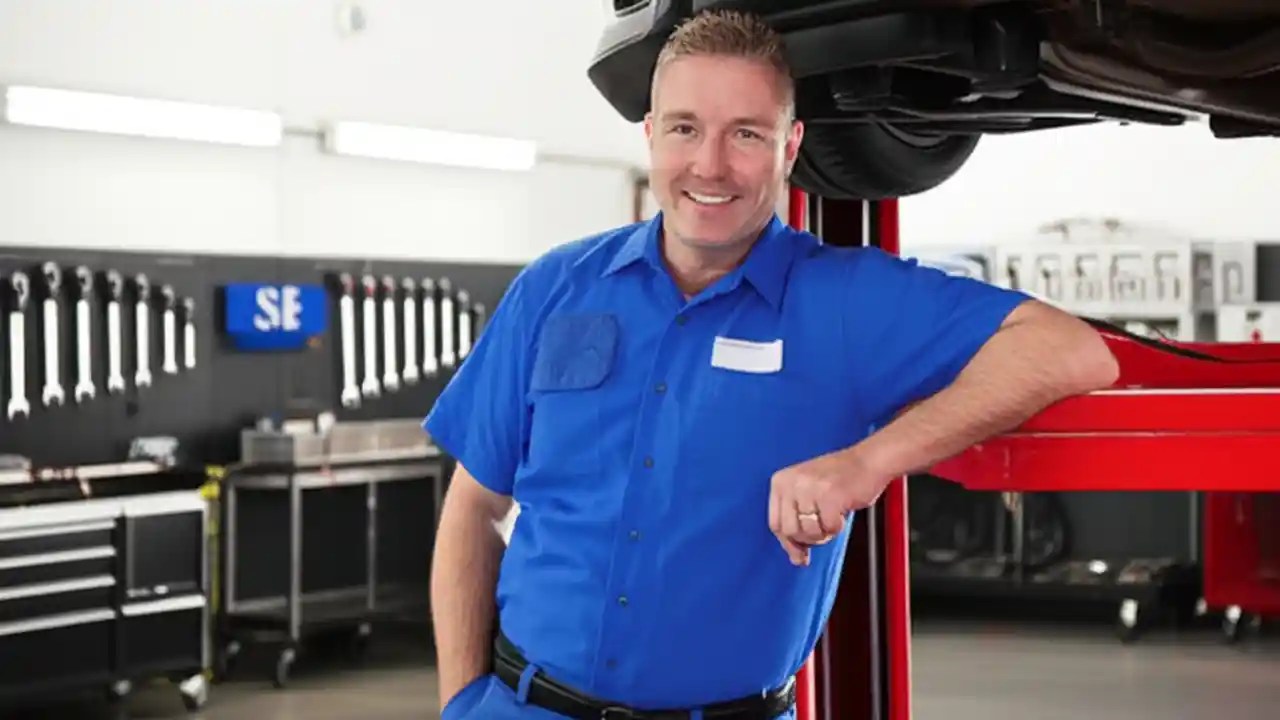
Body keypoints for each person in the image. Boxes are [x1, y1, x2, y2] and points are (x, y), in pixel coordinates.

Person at [424, 9, 1119, 720]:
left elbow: (1068, 349)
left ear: (791, 145)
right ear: (651, 134)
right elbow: (476, 507)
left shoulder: (846, 302)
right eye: (685, 128)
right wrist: (461, 703)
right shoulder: (555, 286)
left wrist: (866, 463)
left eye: (746, 135)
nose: (710, 165)